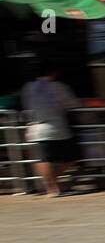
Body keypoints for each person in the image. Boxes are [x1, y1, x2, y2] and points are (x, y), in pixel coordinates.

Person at [21, 64, 81, 197]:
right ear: (53, 73)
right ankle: (53, 184)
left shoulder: (28, 87)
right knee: (72, 157)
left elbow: (26, 105)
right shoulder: (59, 86)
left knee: (43, 159)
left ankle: (51, 187)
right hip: (57, 127)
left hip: (36, 128)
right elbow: (73, 104)